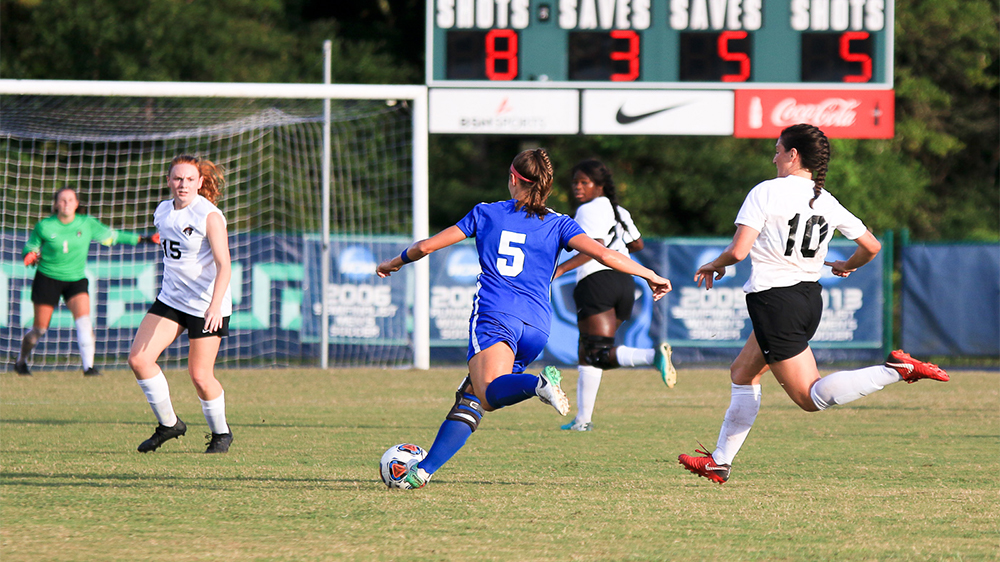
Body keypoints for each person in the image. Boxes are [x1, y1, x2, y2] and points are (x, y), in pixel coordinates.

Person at [376, 148, 672, 488]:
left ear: (514, 178)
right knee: (473, 395)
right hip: (536, 326)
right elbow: (605, 253)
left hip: (496, 316)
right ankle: (423, 471)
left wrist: (396, 262)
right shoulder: (560, 222)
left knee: (486, 393)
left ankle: (537, 384)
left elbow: (427, 246)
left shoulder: (486, 213)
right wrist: (648, 273)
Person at [677, 124, 949, 484]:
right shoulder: (826, 200)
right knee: (743, 373)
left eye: (778, 150)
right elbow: (872, 246)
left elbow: (739, 250)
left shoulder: (766, 192)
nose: (774, 156)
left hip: (775, 302)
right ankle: (719, 462)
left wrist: (716, 263)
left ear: (793, 155)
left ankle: (895, 370)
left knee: (810, 398)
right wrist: (845, 266)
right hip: (807, 299)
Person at [553, 159, 677, 432]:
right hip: (624, 282)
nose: (577, 187)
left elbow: (594, 248)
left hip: (597, 280)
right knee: (588, 352)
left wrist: (559, 269)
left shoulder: (588, 209)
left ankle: (651, 355)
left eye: (584, 182)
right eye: (575, 182)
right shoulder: (618, 210)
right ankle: (583, 420)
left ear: (599, 185)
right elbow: (637, 243)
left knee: (595, 353)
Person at [127, 155, 234, 454]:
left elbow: (224, 265)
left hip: (205, 304)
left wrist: (215, 306)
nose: (182, 184)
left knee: (200, 376)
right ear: (169, 181)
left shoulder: (209, 215)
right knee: (139, 360)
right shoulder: (162, 211)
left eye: (189, 179)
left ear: (200, 182)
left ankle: (221, 433)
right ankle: (169, 424)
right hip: (172, 299)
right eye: (177, 179)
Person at [15, 187, 159, 377]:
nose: (66, 203)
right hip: (47, 279)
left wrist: (145, 239)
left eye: (70, 200)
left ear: (76, 204)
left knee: (84, 321)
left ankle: (88, 368)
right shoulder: (45, 226)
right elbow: (30, 246)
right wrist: (29, 254)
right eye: (62, 200)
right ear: (56, 204)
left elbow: (112, 236)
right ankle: (21, 361)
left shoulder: (86, 223)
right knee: (39, 329)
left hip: (75, 280)